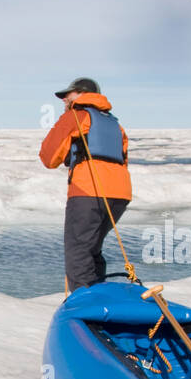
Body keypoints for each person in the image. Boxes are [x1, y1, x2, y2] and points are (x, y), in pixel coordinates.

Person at [39, 77, 132, 291]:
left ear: (81, 94)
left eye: (67, 96)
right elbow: (122, 158)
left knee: (78, 250)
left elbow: (48, 157)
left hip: (88, 191)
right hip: (120, 193)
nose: (64, 101)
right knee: (91, 249)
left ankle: (84, 304)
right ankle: (99, 296)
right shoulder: (115, 124)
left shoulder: (76, 116)